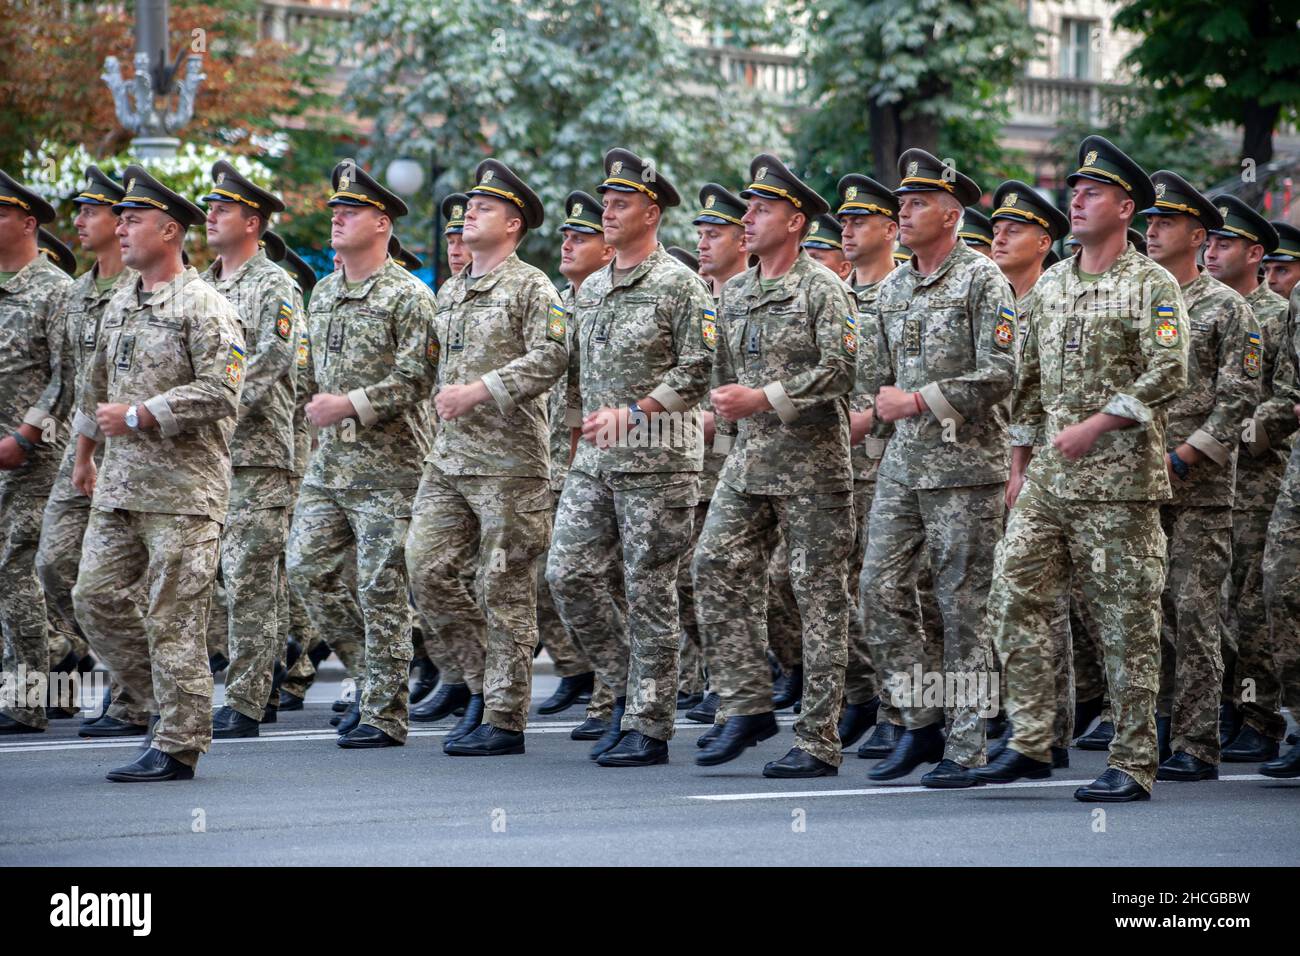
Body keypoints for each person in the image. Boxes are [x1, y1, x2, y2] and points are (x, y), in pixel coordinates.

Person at [975, 136, 1187, 802]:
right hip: (1049, 483)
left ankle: (1131, 760)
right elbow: (1028, 384)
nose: (1080, 197)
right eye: (1076, 189)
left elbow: (1170, 371)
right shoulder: (1054, 283)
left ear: (1126, 207)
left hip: (1119, 486)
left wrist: (1098, 423)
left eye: (1093, 191)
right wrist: (1017, 465)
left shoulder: (1152, 284)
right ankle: (1032, 741)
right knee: (1011, 596)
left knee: (1124, 623)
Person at [70, 165, 245, 780]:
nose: (120, 229)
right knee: (91, 597)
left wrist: (143, 414)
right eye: (119, 218)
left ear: (170, 232)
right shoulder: (122, 299)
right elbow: (94, 387)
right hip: (119, 487)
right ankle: (158, 701)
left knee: (175, 617)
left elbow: (223, 393)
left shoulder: (206, 307)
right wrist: (84, 455)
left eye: (134, 219)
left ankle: (178, 741)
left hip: (184, 493)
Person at [547, 147, 714, 767]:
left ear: (651, 213)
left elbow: (700, 368)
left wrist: (639, 410)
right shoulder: (590, 289)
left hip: (658, 461)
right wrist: (571, 439)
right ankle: (625, 683)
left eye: (620, 205)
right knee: (567, 574)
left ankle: (650, 723)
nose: (608, 214)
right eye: (606, 204)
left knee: (650, 591)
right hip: (594, 461)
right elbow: (575, 379)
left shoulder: (681, 285)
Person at [692, 153, 856, 777]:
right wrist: (728, 412)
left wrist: (766, 398)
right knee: (712, 565)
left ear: (795, 222)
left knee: (818, 599)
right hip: (748, 465)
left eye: (762, 210)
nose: (749, 219)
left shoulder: (823, 288)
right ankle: (746, 702)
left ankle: (818, 739)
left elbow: (843, 370)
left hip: (812, 469)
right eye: (749, 208)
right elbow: (722, 378)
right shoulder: (733, 293)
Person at [860, 148, 1014, 788]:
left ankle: (970, 741)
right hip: (903, 466)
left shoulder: (983, 280)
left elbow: (1001, 374)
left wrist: (919, 399)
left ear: (951, 216)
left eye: (918, 203)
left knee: (964, 609)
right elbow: (874, 377)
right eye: (902, 203)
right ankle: (919, 719)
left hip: (966, 469)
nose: (905, 212)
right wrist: (874, 409)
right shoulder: (892, 287)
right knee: (877, 589)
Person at [407, 159, 566, 757]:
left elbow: (552, 356)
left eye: (485, 207)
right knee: (424, 568)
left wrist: (482, 390)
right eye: (470, 204)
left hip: (509, 464)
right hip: (448, 461)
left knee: (504, 587)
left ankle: (504, 717)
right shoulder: (450, 290)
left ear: (513, 223)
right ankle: (478, 683)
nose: (470, 211)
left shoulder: (533, 287)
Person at [286, 159, 437, 748]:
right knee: (306, 571)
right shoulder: (322, 292)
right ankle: (374, 677)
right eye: (334, 212)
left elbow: (416, 380)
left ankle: (383, 712)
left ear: (381, 224)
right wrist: (310, 407)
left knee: (380, 589)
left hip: (391, 470)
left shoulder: (408, 296)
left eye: (349, 213)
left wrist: (347, 405)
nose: (337, 221)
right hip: (328, 467)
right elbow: (308, 372)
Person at [35, 167, 141, 736]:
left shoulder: (144, 289)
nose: (79, 221)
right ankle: (79, 653)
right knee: (53, 565)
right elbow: (68, 380)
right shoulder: (74, 294)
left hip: (133, 453)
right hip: (79, 447)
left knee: (121, 582)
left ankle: (131, 695)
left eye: (91, 212)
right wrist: (56, 441)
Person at [198, 161, 299, 740]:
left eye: (224, 208)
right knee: (216, 578)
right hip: (207, 458)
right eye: (209, 206)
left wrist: (211, 407)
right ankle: (266, 676)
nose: (210, 215)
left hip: (257, 455)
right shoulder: (202, 286)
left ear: (253, 222)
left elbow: (270, 362)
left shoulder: (274, 284)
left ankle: (246, 700)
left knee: (250, 578)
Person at [986, 178, 1077, 768]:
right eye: (995, 227)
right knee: (1007, 595)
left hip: (1049, 464)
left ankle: (1054, 729)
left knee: (1046, 600)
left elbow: (1044, 393)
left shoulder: (1055, 296)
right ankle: (1021, 718)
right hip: (994, 459)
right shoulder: (996, 299)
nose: (998, 235)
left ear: (1044, 240)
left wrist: (1027, 464)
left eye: (1012, 229)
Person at [1204, 196, 1292, 762]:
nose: (1212, 252)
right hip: (1206, 478)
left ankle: (1259, 717)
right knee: (1209, 602)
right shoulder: (1198, 307)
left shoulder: (1277, 316)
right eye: (1208, 242)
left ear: (1255, 254)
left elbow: (1287, 398)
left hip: (1256, 478)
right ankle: (1222, 708)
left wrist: (1234, 434)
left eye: (1225, 243)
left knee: (1255, 603)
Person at [535, 190, 614, 732]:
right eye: (565, 235)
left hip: (602, 458)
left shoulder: (608, 301)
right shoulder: (562, 302)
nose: (567, 243)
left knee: (610, 583)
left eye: (580, 237)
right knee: (558, 576)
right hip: (558, 460)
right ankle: (581, 669)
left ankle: (615, 695)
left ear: (607, 250)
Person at [0, 169, 73, 735]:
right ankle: (62, 663)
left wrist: (27, 435)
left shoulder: (55, 292)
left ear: (28, 223)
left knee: (14, 573)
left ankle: (23, 698)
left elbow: (66, 377)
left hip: (35, 457)